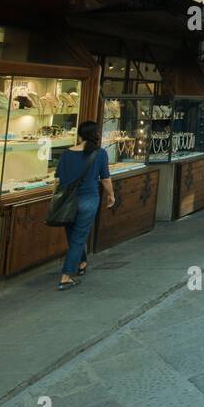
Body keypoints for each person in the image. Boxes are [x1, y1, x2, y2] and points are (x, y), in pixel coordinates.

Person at [54, 120, 114, 289]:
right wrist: (111, 195)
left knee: (74, 236)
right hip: (88, 199)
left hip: (66, 200)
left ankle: (81, 264)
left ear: (80, 135)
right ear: (96, 135)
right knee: (79, 238)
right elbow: (105, 179)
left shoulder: (66, 154)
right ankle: (65, 277)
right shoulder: (100, 154)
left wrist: (55, 200)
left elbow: (58, 180)